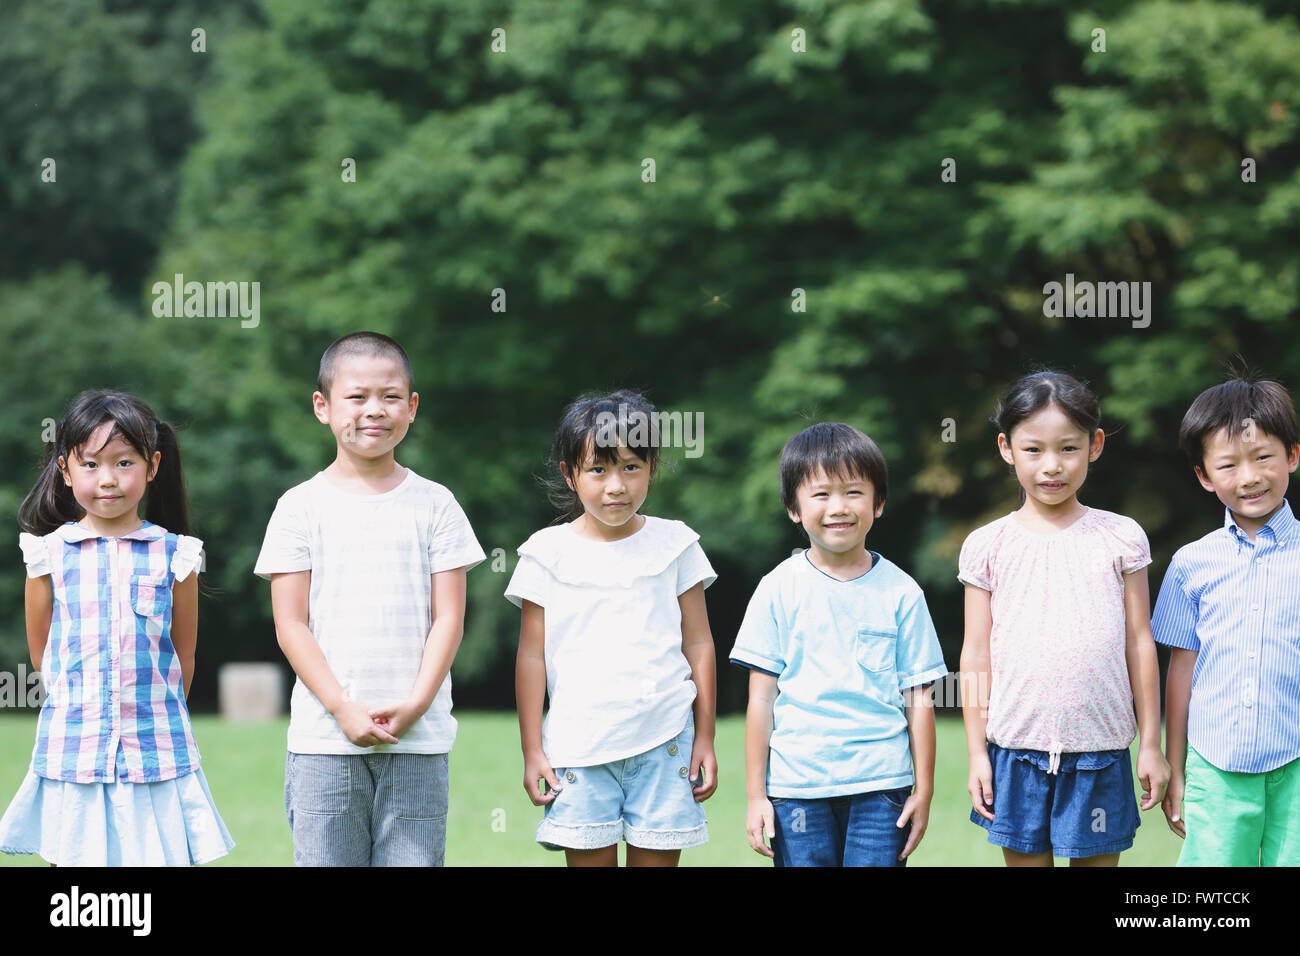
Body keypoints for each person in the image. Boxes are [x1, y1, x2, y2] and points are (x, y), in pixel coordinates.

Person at [254, 332, 484, 866]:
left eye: (390, 396)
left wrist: (417, 703)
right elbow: (292, 624)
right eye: (357, 397)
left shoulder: (436, 504)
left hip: (418, 739)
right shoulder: (298, 507)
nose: (374, 410)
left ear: (412, 407)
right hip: (323, 740)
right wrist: (341, 707)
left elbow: (448, 617)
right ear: (323, 407)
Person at [0, 390, 234, 866]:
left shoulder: (177, 555)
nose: (107, 479)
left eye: (124, 462)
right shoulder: (48, 555)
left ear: (152, 466)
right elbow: (44, 652)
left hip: (155, 750)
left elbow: (182, 656)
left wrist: (148, 718)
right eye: (90, 465)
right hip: (75, 749)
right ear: (66, 470)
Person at [958, 370, 1168, 866]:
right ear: (1007, 448)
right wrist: (975, 754)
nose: (1052, 466)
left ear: (1095, 445)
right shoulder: (988, 545)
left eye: (1068, 448)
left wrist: (1151, 744)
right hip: (1016, 752)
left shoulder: (1121, 538)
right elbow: (975, 652)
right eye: (1034, 450)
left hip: (1100, 749)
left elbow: (1140, 640)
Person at [507, 390, 718, 866]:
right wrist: (531, 749)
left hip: (666, 741)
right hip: (579, 746)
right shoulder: (545, 553)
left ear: (652, 467)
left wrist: (704, 737)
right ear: (570, 473)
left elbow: (699, 643)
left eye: (630, 467)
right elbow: (531, 657)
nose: (616, 486)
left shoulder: (676, 544)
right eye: (598, 470)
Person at [731, 422, 946, 866]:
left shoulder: (902, 593)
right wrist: (756, 795)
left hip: (882, 786)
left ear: (878, 503)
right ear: (794, 507)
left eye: (853, 492)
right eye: (821, 494)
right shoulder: (776, 589)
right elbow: (760, 700)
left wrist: (923, 791)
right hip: (796, 790)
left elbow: (919, 699)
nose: (838, 508)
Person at [1151, 374, 1300, 866]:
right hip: (1216, 763)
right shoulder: (1192, 563)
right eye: (1229, 465)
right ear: (1205, 477)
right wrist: (1176, 764)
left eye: (1262, 458)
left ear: (1293, 457)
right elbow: (1181, 670)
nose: (1249, 477)